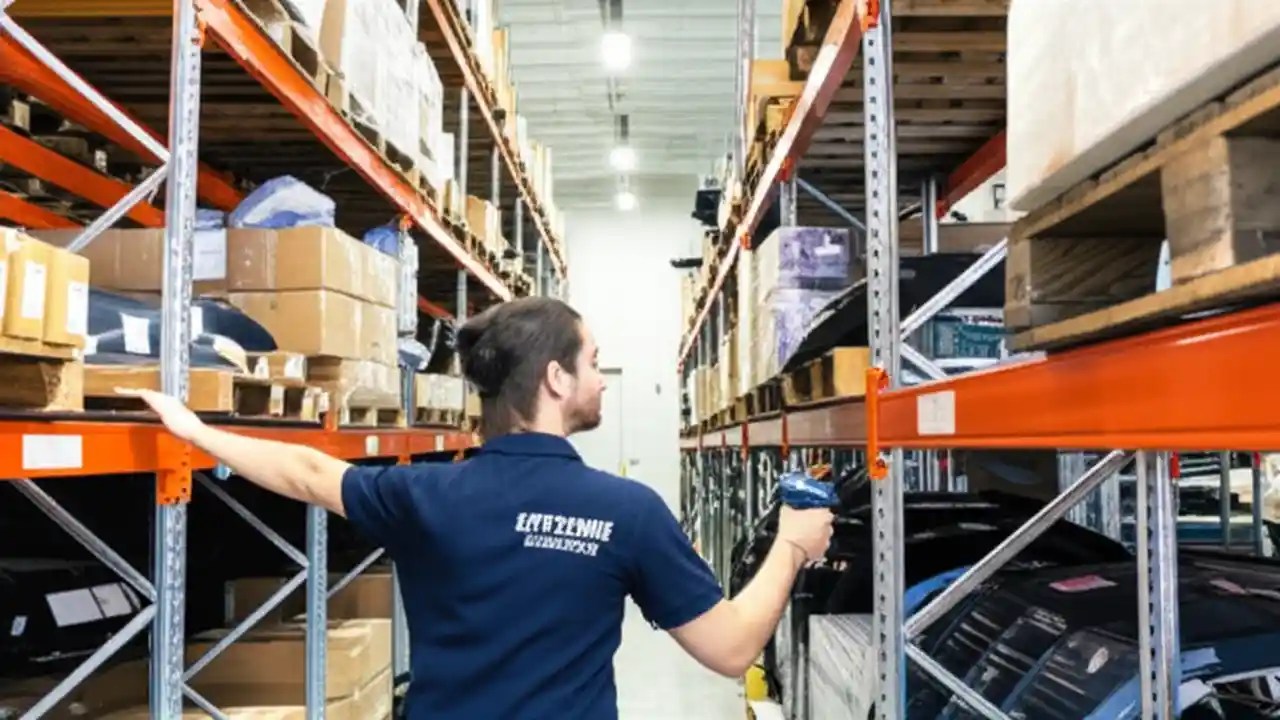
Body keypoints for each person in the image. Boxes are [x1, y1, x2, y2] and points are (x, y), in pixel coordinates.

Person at [127, 296, 834, 720]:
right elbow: (731, 647)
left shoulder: (422, 495)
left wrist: (198, 432)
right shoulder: (626, 512)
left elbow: (309, 473)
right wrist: (793, 545)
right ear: (556, 380)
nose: (601, 380)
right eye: (594, 363)